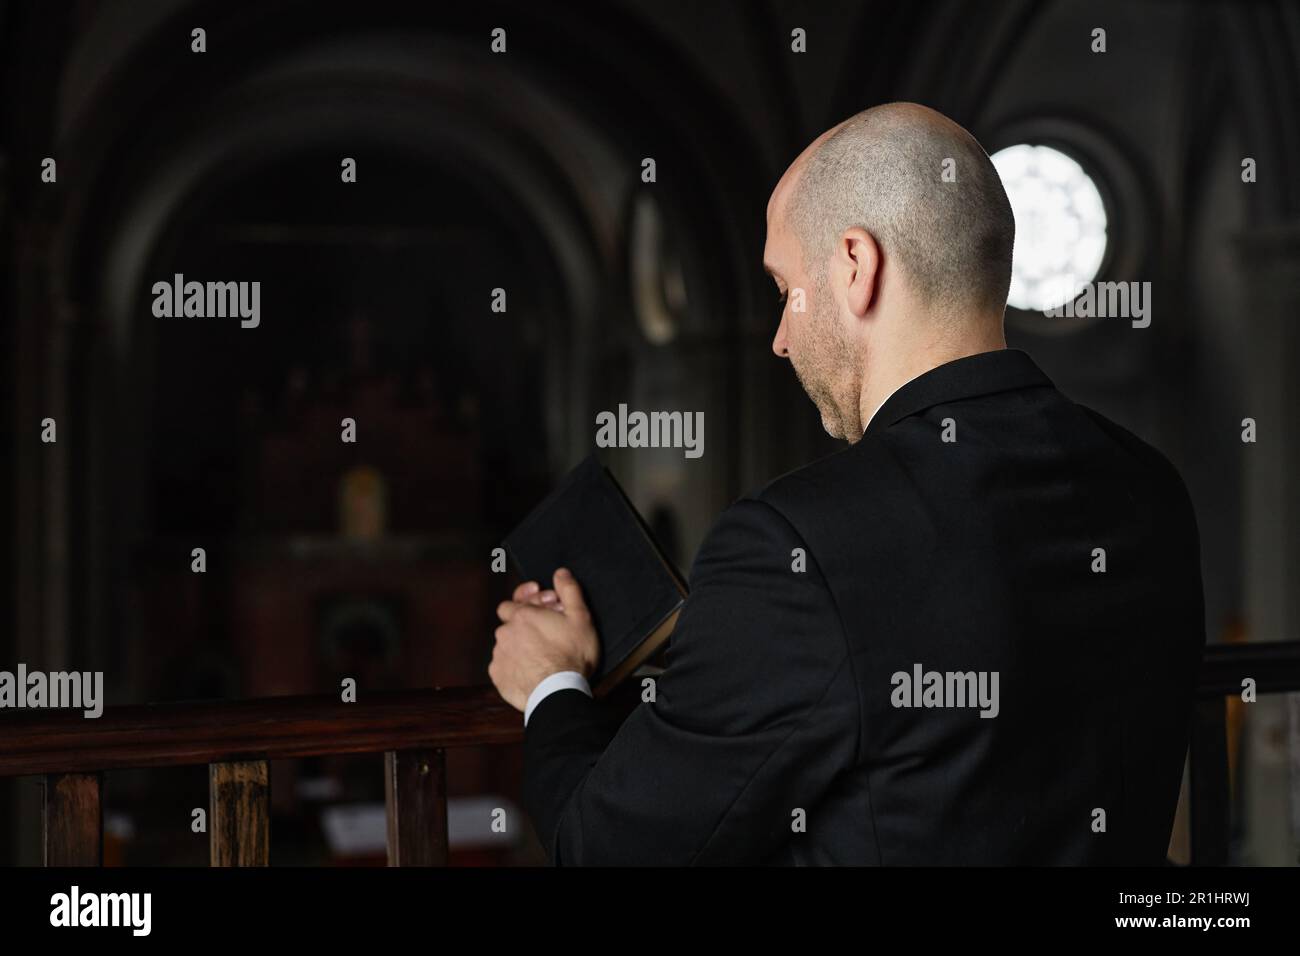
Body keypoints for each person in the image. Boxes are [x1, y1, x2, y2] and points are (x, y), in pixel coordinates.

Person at [488, 102, 1206, 865]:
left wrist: (552, 684)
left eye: (783, 287)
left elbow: (607, 853)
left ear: (857, 266)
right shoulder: (1149, 486)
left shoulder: (792, 545)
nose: (779, 338)